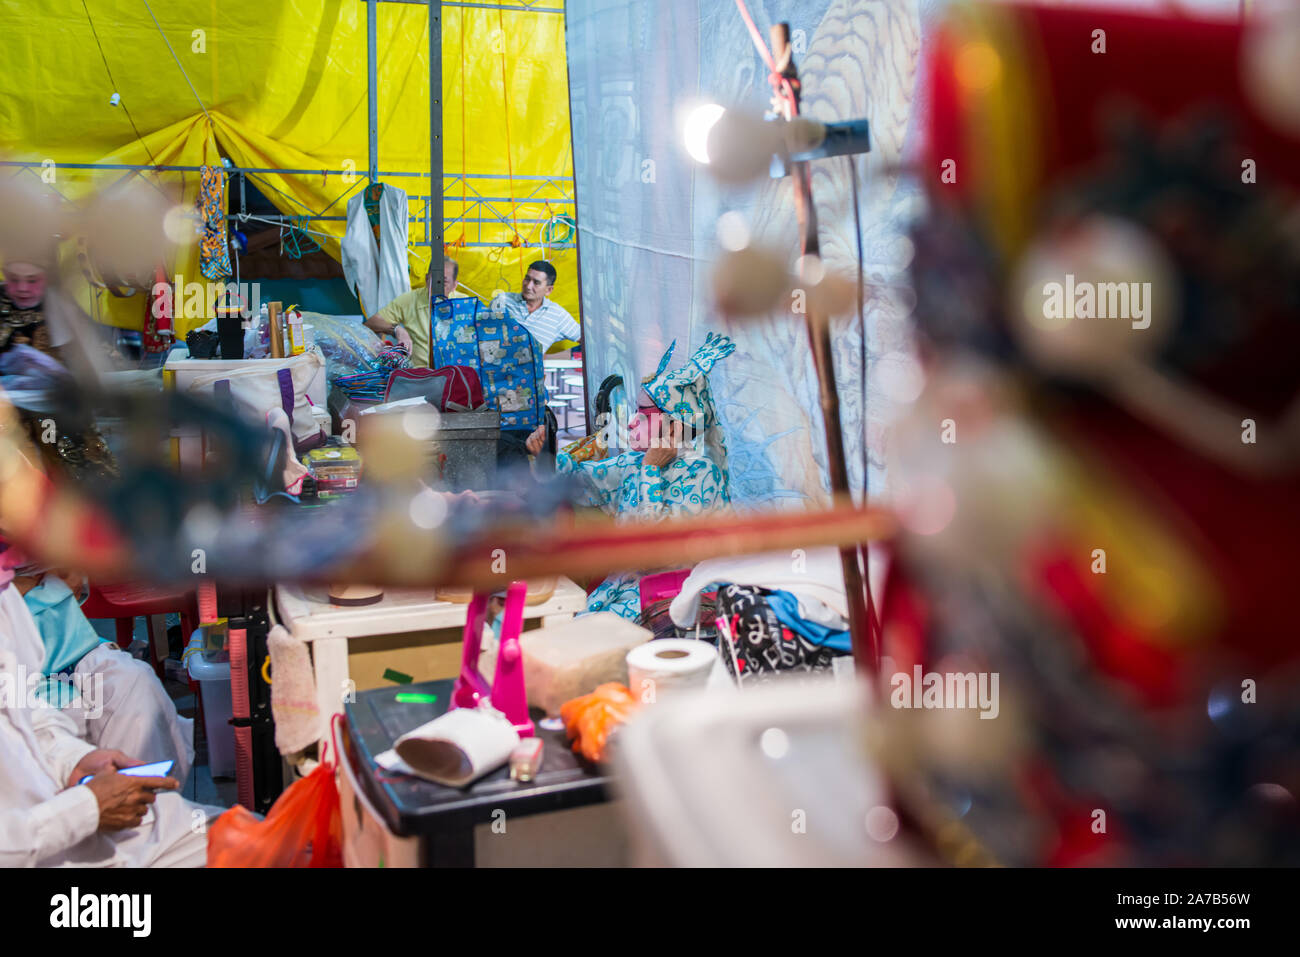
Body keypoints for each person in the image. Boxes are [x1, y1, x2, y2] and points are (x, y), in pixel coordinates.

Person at [0, 572, 223, 867]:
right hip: (37, 837)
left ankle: (143, 800)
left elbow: (19, 706)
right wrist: (87, 809)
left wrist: (76, 760)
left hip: (64, 818)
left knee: (244, 839)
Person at [546, 333, 736, 619]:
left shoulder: (702, 475)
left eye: (644, 413)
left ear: (675, 425)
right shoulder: (631, 463)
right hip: (617, 593)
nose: (633, 421)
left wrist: (651, 470)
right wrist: (547, 454)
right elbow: (577, 481)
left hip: (666, 602)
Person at [494, 260, 582, 466]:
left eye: (536, 282)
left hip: (531, 392)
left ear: (549, 289)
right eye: (527, 278)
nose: (528, 285)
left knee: (532, 441)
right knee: (502, 443)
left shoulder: (557, 315)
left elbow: (583, 338)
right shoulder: (502, 302)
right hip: (497, 388)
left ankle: (536, 489)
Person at [364, 257, 460, 368]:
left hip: (454, 373)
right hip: (419, 375)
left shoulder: (466, 305)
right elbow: (371, 323)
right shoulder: (411, 300)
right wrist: (397, 330)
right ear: (426, 279)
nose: (436, 287)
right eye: (434, 280)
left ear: (454, 285)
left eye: (443, 282)